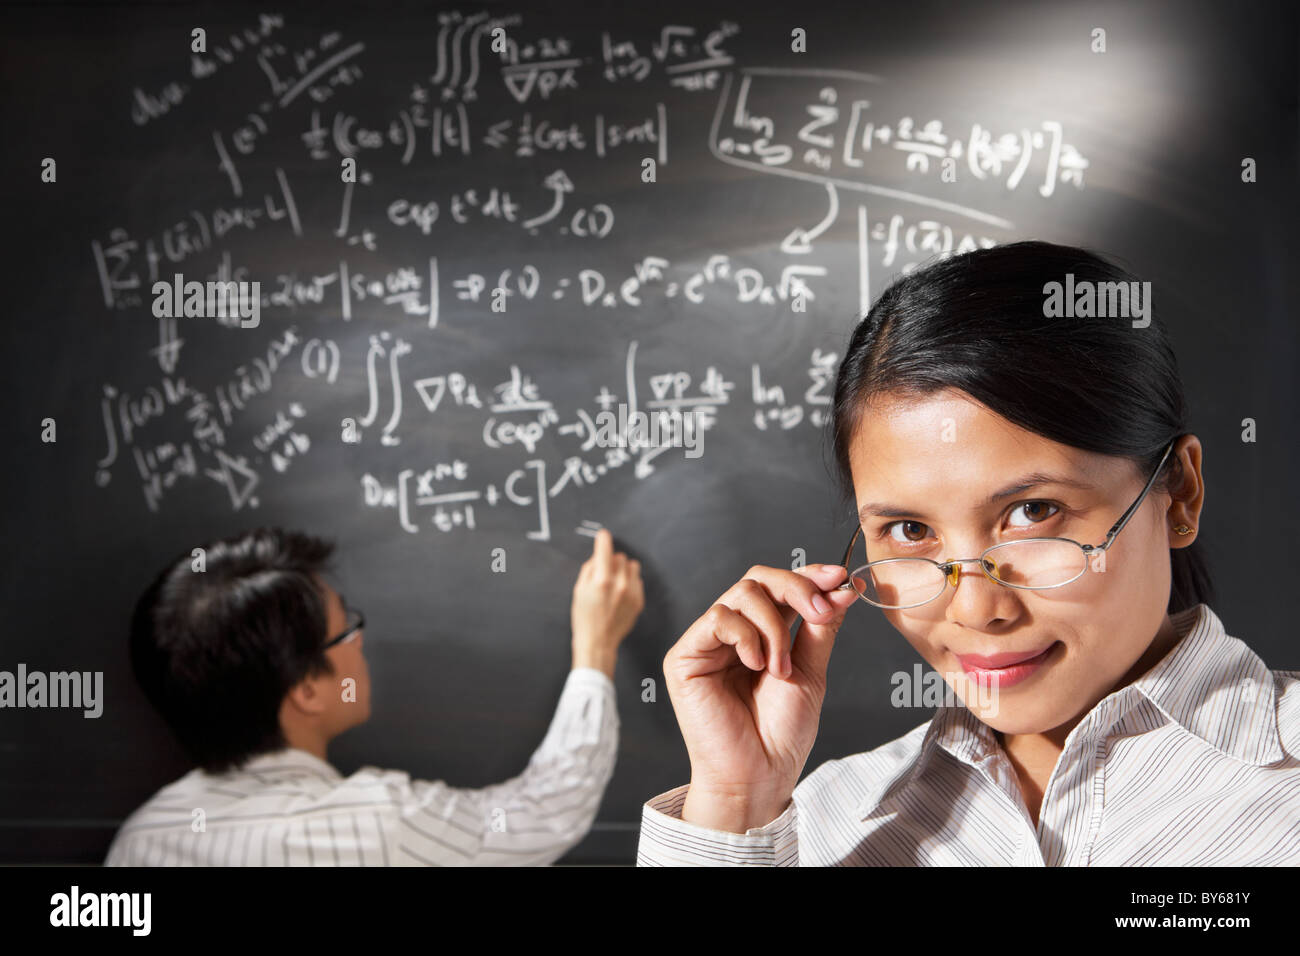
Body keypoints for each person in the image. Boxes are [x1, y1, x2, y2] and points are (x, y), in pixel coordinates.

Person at [638, 240, 1299, 866]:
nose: (977, 610)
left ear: (1179, 493)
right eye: (909, 530)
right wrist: (734, 802)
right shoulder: (819, 822)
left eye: (1033, 512)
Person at [106, 526, 643, 866]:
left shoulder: (142, 841)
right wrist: (595, 648)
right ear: (307, 689)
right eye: (346, 630)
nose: (359, 642)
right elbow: (546, 811)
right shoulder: (380, 826)